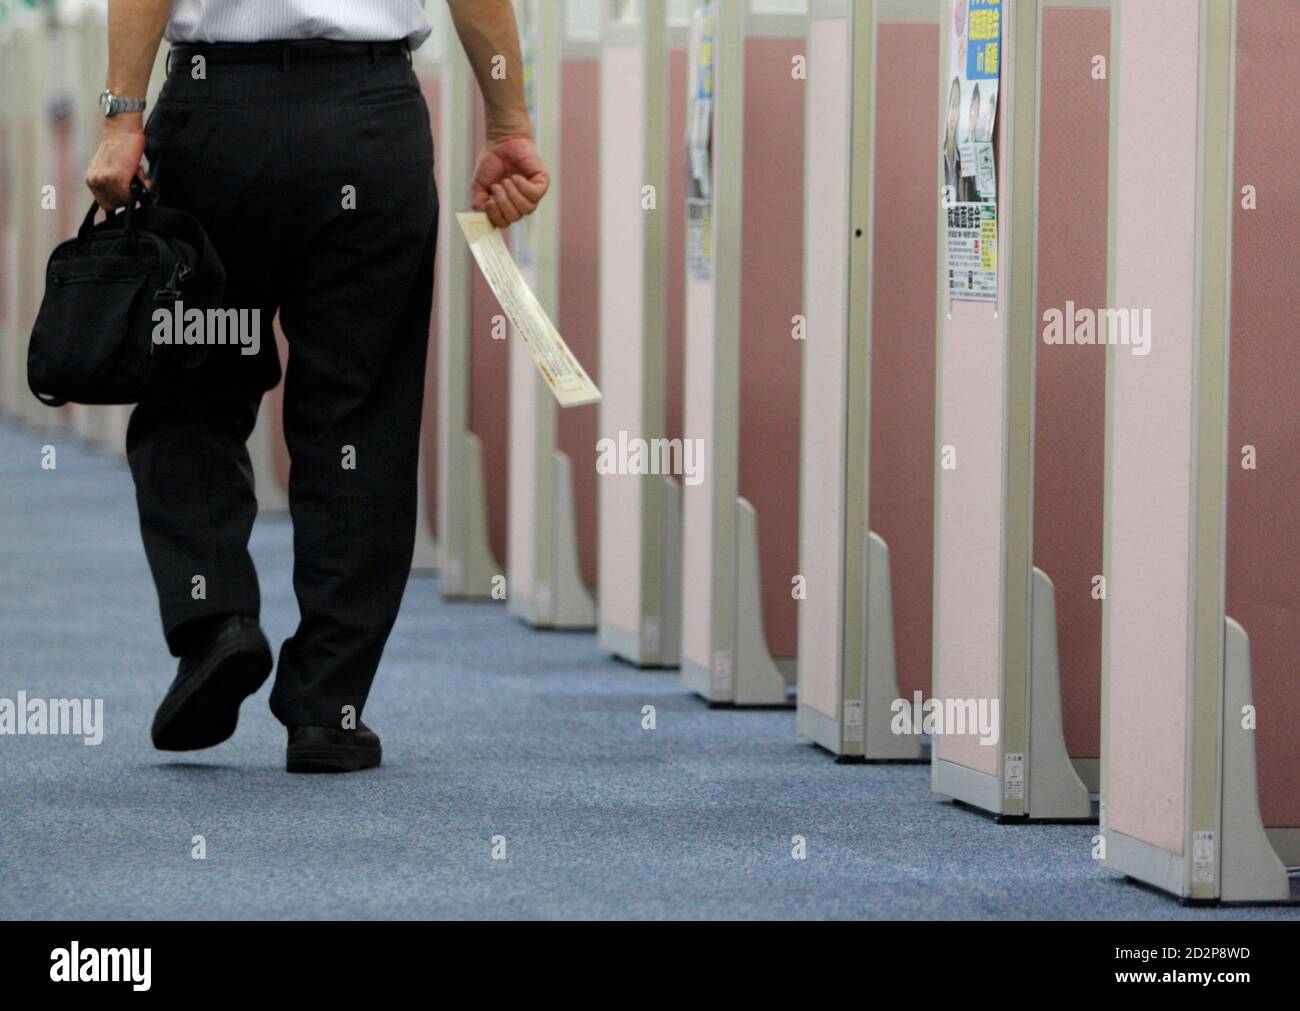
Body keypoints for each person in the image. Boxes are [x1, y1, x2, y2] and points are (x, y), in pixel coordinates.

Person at [85, 0, 550, 773]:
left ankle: (215, 620)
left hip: (217, 120)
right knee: (361, 417)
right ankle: (328, 708)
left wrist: (122, 116)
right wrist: (508, 126)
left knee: (192, 386)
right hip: (369, 121)